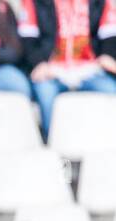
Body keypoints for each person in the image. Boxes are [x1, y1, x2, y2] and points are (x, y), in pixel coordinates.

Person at [19, 0, 116, 135]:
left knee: (110, 90)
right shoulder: (34, 2)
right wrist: (38, 63)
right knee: (46, 94)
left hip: (89, 69)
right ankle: (52, 145)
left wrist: (107, 55)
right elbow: (27, 37)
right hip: (51, 71)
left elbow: (109, 33)